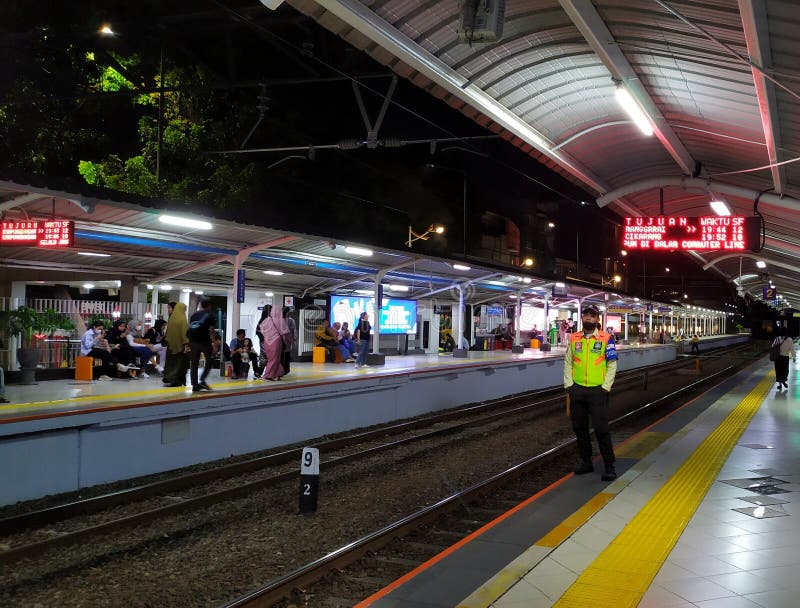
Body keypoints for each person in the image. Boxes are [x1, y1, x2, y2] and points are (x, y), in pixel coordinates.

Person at [564, 304, 618, 481]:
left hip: (597, 391)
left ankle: (609, 466)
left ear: (597, 319)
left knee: (601, 429)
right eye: (585, 315)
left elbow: (612, 365)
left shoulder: (606, 338)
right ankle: (586, 462)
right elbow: (568, 362)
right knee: (580, 428)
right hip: (577, 389)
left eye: (592, 316)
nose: (588, 318)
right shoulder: (574, 338)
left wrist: (605, 387)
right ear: (582, 318)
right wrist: (569, 385)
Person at [188, 299, 215, 392]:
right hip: (205, 341)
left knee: (194, 363)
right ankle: (203, 379)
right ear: (209, 306)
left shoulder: (194, 315)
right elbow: (211, 330)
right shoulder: (210, 315)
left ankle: (194, 385)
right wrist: (214, 343)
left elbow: (191, 327)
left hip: (193, 341)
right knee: (210, 360)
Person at [259, 304, 291, 380]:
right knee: (275, 359)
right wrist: (288, 341)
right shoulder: (276, 319)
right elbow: (284, 332)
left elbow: (261, 333)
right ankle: (268, 375)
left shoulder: (263, 321)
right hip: (276, 342)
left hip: (267, 342)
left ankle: (276, 374)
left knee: (272, 359)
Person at [162, 301, 190, 387]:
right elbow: (184, 332)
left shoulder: (171, 319)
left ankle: (169, 378)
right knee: (181, 363)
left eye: (169, 308)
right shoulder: (182, 319)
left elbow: (168, 333)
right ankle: (178, 380)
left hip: (171, 346)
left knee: (171, 363)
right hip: (180, 346)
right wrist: (186, 344)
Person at [281, 307, 297, 375]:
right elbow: (293, 330)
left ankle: (280, 369)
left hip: (279, 339)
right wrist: (294, 339)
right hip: (287, 339)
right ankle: (286, 369)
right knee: (287, 354)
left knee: (280, 355)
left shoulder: (278, 320)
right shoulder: (291, 320)